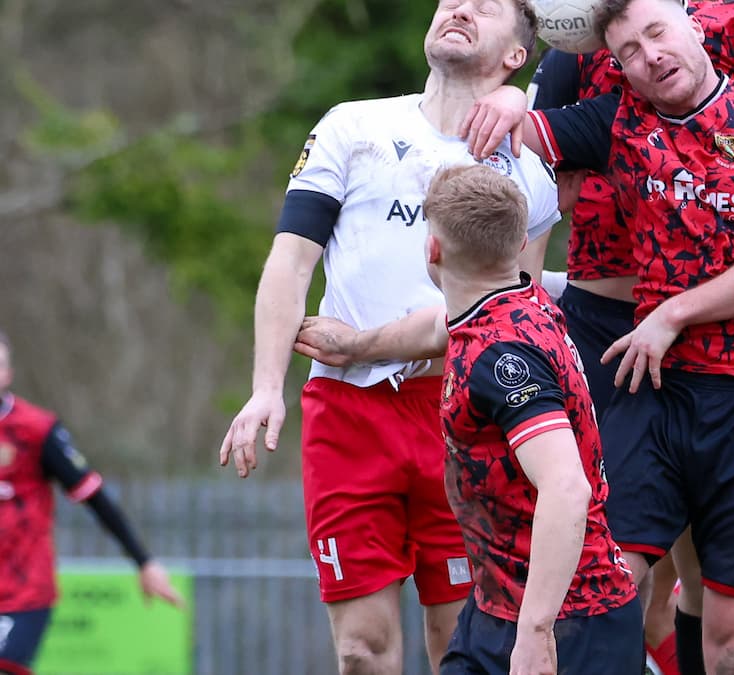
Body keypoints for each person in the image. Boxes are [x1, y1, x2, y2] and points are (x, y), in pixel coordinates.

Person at [216, 0, 560, 670]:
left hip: (462, 418)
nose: (458, 8)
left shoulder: (531, 176)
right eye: (449, 0)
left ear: (516, 54)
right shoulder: (354, 127)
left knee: (457, 646)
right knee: (362, 650)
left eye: (483, 7)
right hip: (349, 414)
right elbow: (290, 260)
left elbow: (506, 316)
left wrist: (369, 341)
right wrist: (266, 389)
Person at [518, 6, 734, 672]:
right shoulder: (614, 112)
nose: (649, 54)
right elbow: (516, 152)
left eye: (658, 34)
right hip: (641, 370)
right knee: (604, 582)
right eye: (629, 50)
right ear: (614, 63)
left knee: (733, 638)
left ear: (693, 26)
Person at [424, 164, 641, 674]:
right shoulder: (521, 300)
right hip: (496, 604)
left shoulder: (502, 356)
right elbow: (436, 326)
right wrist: (355, 345)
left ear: (432, 249)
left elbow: (567, 486)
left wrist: (536, 630)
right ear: (521, 243)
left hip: (570, 620)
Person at [0, 331, 182, 675]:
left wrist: (143, 561)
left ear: (7, 374)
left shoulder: (35, 431)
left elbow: (94, 497)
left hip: (21, 592)